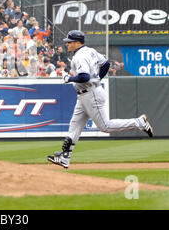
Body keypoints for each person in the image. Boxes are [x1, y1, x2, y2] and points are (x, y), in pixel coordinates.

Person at [47, 30, 154, 169]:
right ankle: (65, 157)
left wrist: (70, 78)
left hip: (91, 94)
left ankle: (139, 122)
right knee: (75, 125)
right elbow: (106, 64)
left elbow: (84, 76)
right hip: (85, 94)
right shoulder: (90, 51)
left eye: (69, 42)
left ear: (78, 42)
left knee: (105, 126)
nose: (67, 44)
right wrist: (97, 79)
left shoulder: (79, 56)